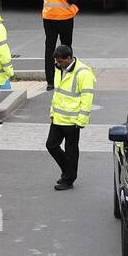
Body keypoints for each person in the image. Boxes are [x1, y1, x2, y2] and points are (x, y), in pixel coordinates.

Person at [47, 45, 95, 190]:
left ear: (69, 58)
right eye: (57, 61)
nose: (58, 64)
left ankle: (68, 179)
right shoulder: (59, 69)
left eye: (60, 61)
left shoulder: (83, 72)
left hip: (73, 121)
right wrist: (52, 112)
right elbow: (58, 93)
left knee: (71, 151)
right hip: (58, 118)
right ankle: (68, 171)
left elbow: (87, 98)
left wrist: (81, 120)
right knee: (51, 145)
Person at [40, 0, 79, 91]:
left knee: (49, 48)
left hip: (49, 17)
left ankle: (50, 82)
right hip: (65, 18)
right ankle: (66, 78)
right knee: (66, 47)